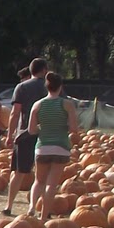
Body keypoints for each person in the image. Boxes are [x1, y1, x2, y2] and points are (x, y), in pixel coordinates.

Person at [27, 71, 80, 218]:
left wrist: (43, 128)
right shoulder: (67, 105)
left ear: (47, 86)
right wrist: (63, 127)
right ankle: (44, 215)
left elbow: (31, 130)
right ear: (60, 87)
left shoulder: (37, 105)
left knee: (38, 181)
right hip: (61, 147)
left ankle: (32, 207)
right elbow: (74, 129)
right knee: (51, 184)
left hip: (42, 147)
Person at [4, 57, 49, 215]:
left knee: (19, 172)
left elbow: (15, 113)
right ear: (44, 70)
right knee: (43, 175)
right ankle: (44, 208)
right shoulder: (50, 86)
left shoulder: (21, 87)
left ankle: (9, 206)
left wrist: (10, 134)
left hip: (24, 134)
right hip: (45, 134)